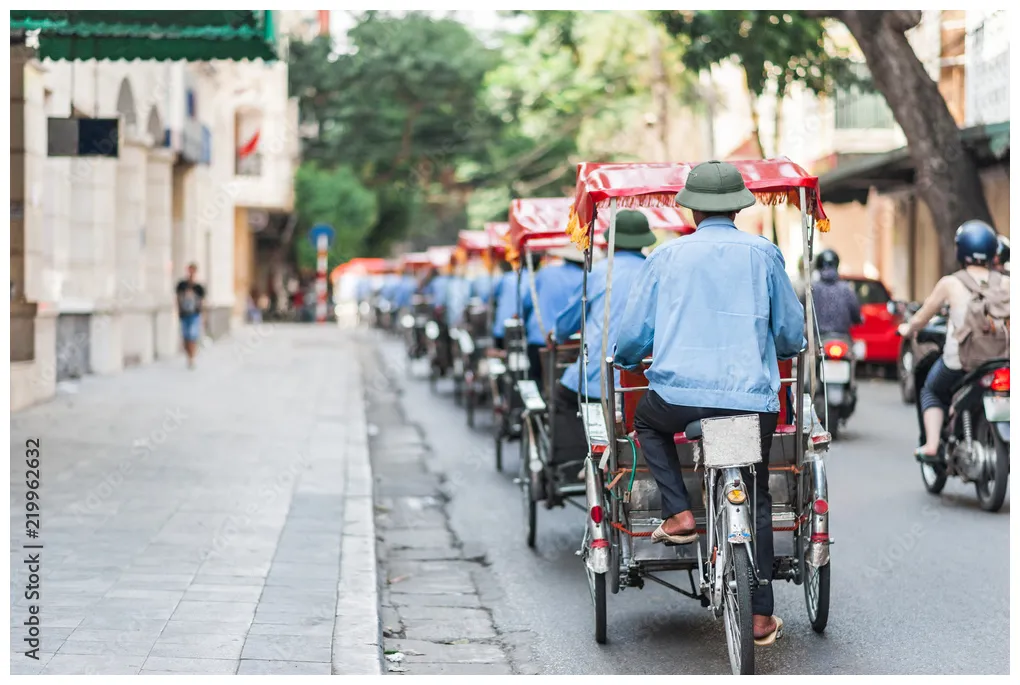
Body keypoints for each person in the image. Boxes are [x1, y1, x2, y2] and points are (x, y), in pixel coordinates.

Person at [615, 161, 805, 646]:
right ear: (738, 207)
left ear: (693, 208)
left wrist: (630, 356)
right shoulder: (764, 254)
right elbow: (790, 333)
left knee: (647, 421)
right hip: (749, 403)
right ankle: (761, 618)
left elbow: (633, 337)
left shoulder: (666, 257)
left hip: (679, 399)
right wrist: (778, 348)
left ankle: (679, 513)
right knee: (757, 497)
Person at [551, 211, 656, 467]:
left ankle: (573, 463)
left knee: (563, 396)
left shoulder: (598, 272)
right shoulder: (655, 268)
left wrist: (558, 336)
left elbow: (569, 321)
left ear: (611, 241)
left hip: (599, 374)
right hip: (647, 376)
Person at [898, 220, 1010, 458]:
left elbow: (922, 317)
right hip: (1002, 360)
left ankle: (931, 445)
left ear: (961, 250)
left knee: (931, 390)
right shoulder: (1008, 282)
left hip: (962, 361)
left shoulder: (951, 283)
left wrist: (908, 329)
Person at [522, 245, 586, 386]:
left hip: (539, 337)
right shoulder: (586, 278)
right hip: (572, 344)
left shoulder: (545, 273)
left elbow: (527, 302)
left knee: (537, 381)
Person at [811, 249, 861, 336]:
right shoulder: (846, 288)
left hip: (819, 339)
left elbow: (802, 311)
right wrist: (858, 319)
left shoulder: (812, 288)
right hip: (843, 337)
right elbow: (855, 312)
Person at [175, 263, 206, 369]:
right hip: (184, 314)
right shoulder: (181, 285)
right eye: (189, 270)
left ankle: (191, 358)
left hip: (194, 315)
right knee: (185, 337)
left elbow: (202, 302)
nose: (191, 273)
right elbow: (178, 299)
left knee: (192, 336)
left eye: (193, 271)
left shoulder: (199, 288)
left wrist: (203, 316)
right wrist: (178, 311)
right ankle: (189, 356)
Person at [491, 261, 520, 350]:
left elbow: (492, 294)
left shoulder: (503, 279)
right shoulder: (519, 276)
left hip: (503, 323)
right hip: (518, 319)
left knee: (502, 349)